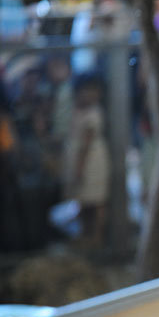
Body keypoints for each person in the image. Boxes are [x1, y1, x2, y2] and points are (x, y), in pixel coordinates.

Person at [63, 73, 110, 247]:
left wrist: (79, 168)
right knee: (83, 199)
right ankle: (85, 234)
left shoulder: (94, 113)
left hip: (91, 161)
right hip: (81, 159)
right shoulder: (77, 110)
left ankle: (96, 236)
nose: (89, 94)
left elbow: (85, 144)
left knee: (96, 199)